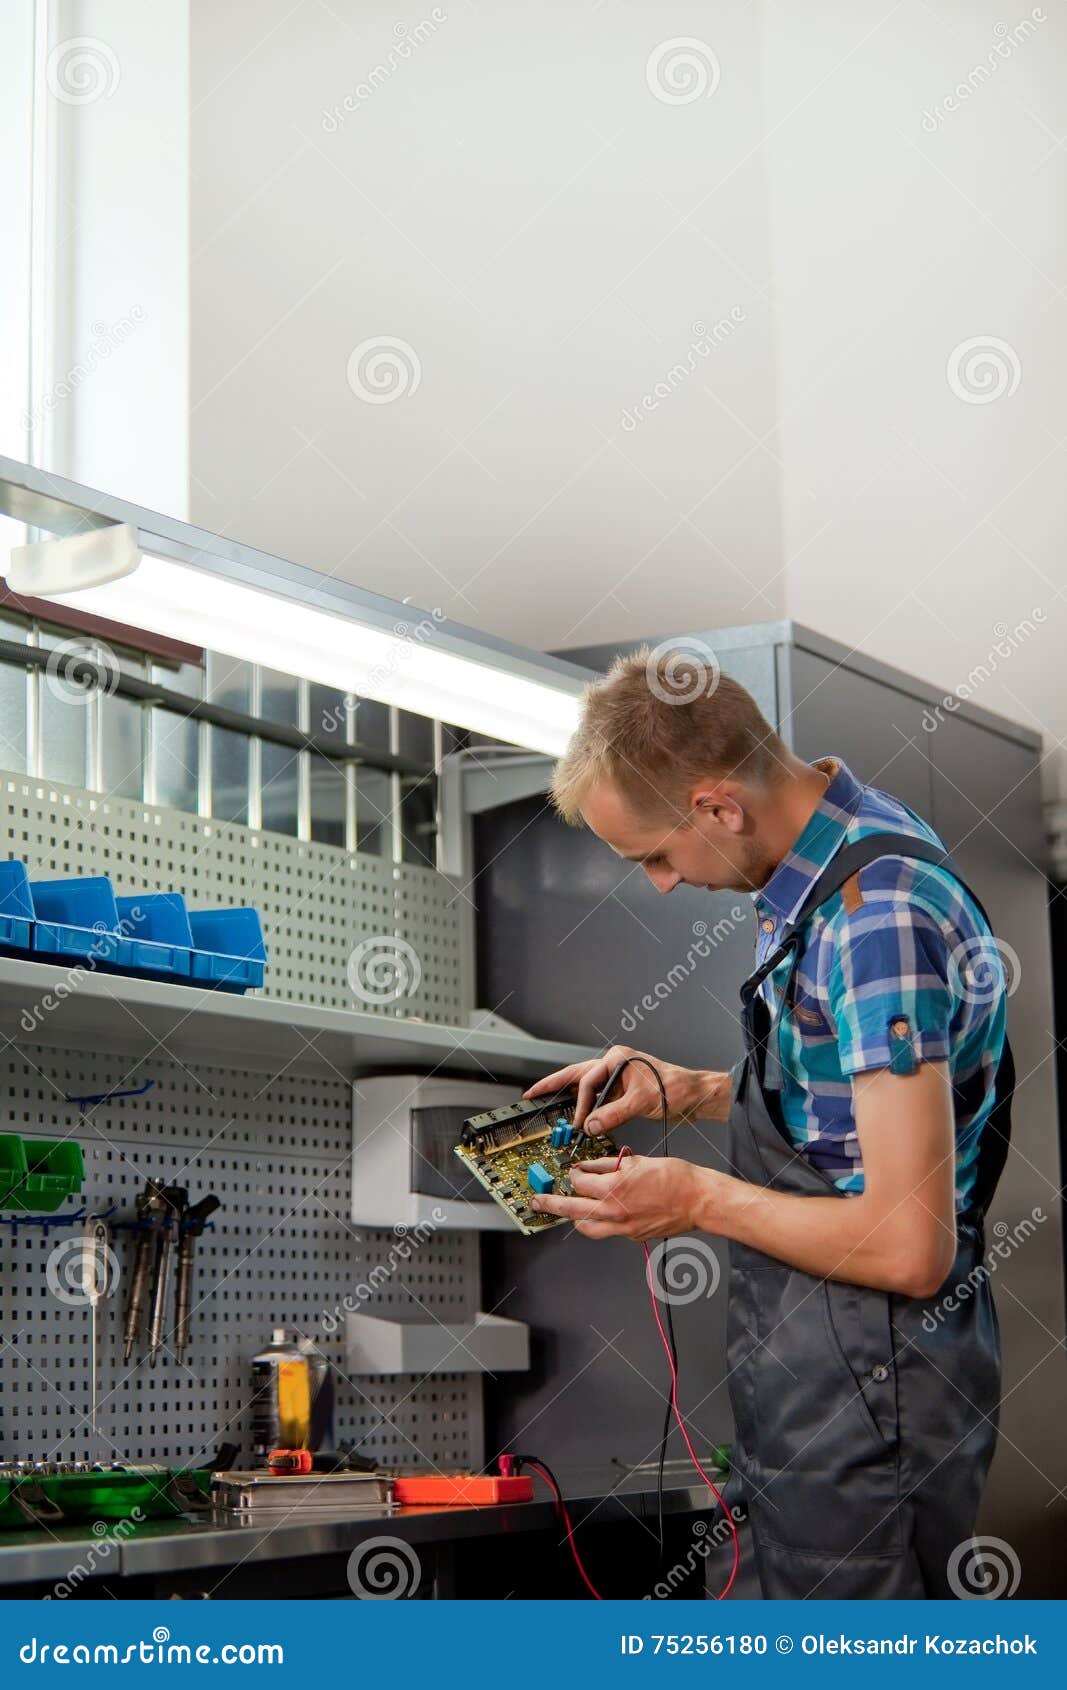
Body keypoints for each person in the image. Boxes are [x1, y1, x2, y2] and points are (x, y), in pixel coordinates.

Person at [524, 647, 1012, 1599]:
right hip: (820, 1379)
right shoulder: (825, 858)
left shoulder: (875, 918)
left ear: (716, 806)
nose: (661, 882)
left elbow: (911, 1246)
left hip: (875, 1379)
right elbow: (851, 1095)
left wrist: (696, 1195)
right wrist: (693, 1092)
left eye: (655, 855)